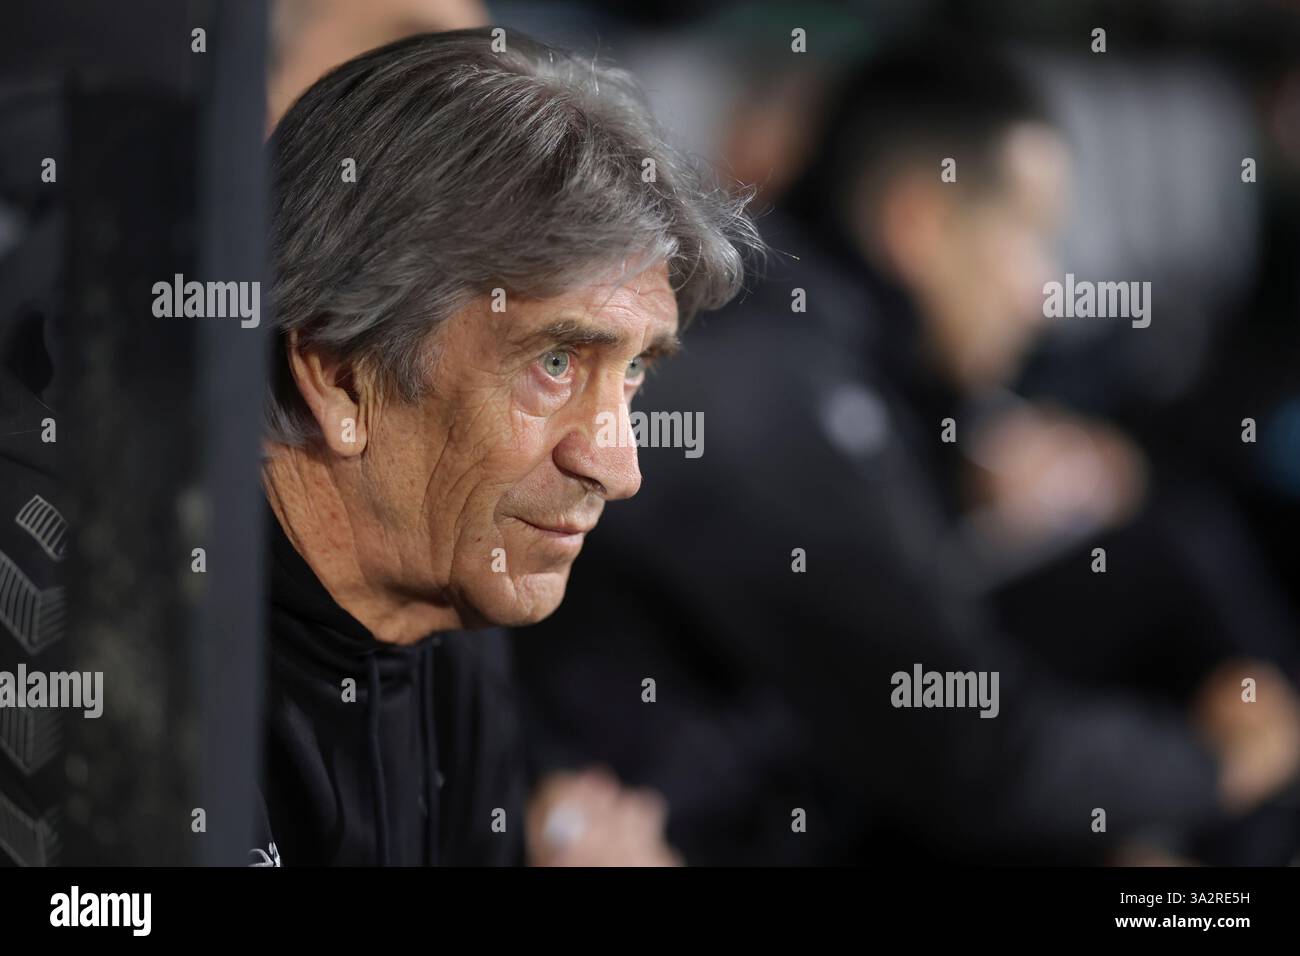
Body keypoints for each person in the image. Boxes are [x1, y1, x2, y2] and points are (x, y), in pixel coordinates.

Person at [512, 45, 1300, 865]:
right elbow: (971, 755)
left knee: (1159, 548)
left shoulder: (806, 337)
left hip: (752, 779)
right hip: (676, 822)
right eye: (1030, 234)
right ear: (919, 223)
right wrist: (1215, 767)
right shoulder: (781, 387)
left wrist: (959, 471)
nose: (1045, 289)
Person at [255, 27, 760, 865]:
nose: (619, 466)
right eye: (556, 363)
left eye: (633, 374)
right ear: (341, 374)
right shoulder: (116, 661)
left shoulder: (456, 601)